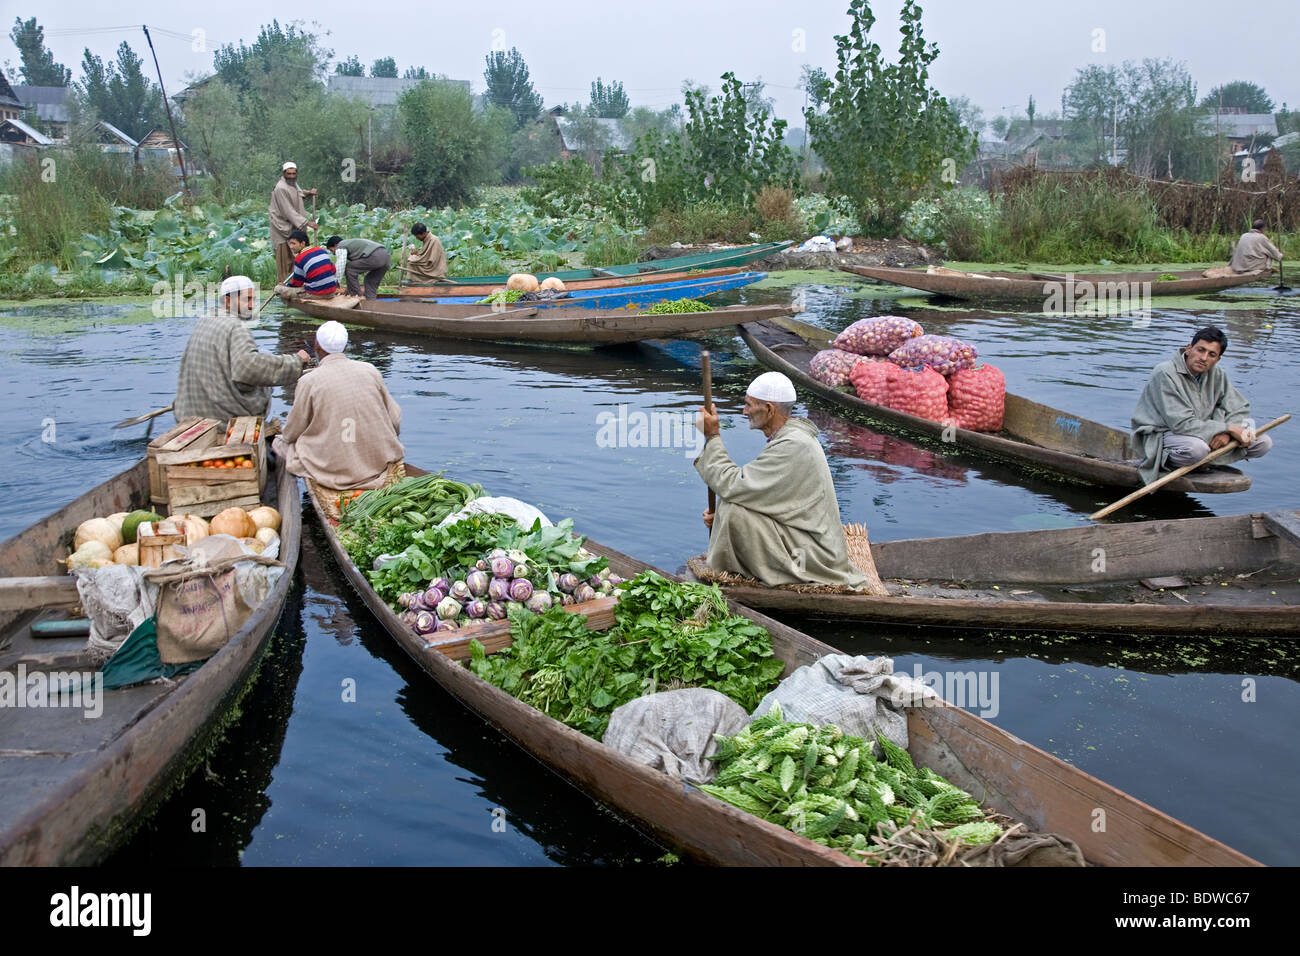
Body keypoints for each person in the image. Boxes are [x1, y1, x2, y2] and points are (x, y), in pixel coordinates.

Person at [695, 371, 871, 589]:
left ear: (769, 409)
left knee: (733, 510)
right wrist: (720, 517)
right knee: (730, 507)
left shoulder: (793, 445)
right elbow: (754, 494)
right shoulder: (790, 438)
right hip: (804, 540)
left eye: (749, 405)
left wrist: (712, 437)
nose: (744, 411)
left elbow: (733, 485)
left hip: (812, 559)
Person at [271, 320, 405, 513]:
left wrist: (286, 439)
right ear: (345, 345)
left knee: (280, 443)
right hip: (376, 464)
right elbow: (395, 419)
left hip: (333, 470)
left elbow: (292, 432)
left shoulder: (309, 381)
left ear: (317, 346)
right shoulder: (370, 370)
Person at [1131, 326, 1273, 484]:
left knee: (1262, 442)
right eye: (1200, 350)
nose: (1204, 358)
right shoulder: (1165, 373)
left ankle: (1203, 461)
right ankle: (1173, 462)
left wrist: (1227, 433)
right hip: (1164, 434)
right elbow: (1181, 424)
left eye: (1212, 354)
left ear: (1217, 359)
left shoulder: (1217, 374)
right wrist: (1228, 428)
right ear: (1189, 348)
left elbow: (1239, 407)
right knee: (1197, 449)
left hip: (1206, 434)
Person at [175, 275, 311, 422]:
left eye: (253, 299)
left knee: (262, 357)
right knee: (265, 384)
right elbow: (249, 369)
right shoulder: (235, 327)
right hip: (219, 419)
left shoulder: (206, 318)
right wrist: (296, 361)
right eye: (247, 299)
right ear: (227, 301)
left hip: (186, 412)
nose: (252, 305)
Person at [268, 162, 318, 284]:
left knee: (295, 256)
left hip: (292, 225)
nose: (291, 176)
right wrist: (307, 223)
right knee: (285, 259)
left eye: (293, 173)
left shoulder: (293, 184)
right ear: (284, 173)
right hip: (281, 226)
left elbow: (297, 193)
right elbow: (288, 211)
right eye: (289, 174)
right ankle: (284, 285)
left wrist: (308, 192)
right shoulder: (280, 188)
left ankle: (296, 283)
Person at [325, 235, 390, 299]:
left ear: (335, 245)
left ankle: (356, 297)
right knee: (370, 281)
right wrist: (349, 288)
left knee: (349, 268)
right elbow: (354, 273)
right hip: (386, 256)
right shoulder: (352, 246)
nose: (333, 253)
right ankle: (370, 303)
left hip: (375, 256)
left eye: (332, 250)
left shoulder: (341, 245)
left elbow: (341, 264)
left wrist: (337, 281)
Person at [277, 230, 338, 297]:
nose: (291, 247)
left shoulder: (300, 258)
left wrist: (285, 286)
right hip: (332, 291)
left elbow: (297, 284)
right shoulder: (321, 250)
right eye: (290, 244)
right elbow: (333, 270)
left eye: (293, 243)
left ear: (302, 244)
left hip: (317, 293)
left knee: (278, 289)